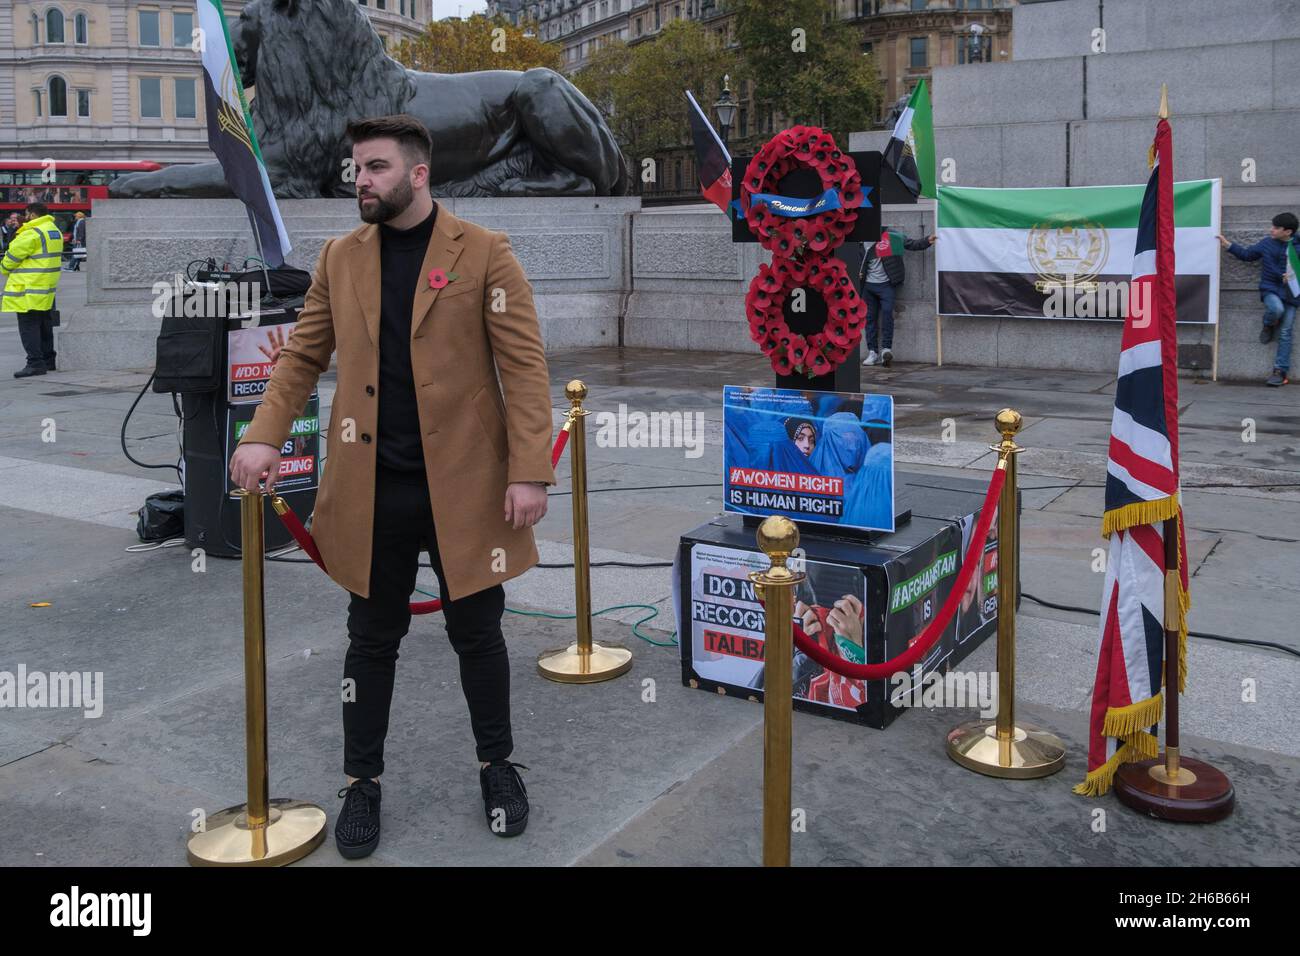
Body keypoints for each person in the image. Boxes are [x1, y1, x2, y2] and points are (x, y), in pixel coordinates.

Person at [228, 114, 556, 859]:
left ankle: (497, 767)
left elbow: (526, 369)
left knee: (478, 636)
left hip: (468, 489)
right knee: (371, 642)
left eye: (374, 168)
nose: (361, 183)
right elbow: (302, 357)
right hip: (372, 487)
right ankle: (361, 782)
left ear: (418, 173)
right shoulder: (341, 258)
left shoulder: (484, 253)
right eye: (356, 171)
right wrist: (263, 433)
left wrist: (530, 470)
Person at [1219, 212, 1299, 387]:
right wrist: (1227, 245)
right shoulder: (1267, 243)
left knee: (1286, 332)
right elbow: (1248, 255)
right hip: (1271, 288)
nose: (1272, 230)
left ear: (1288, 232)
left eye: (1276, 228)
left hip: (1292, 294)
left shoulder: (1297, 246)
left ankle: (1280, 371)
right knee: (1276, 310)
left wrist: (1293, 276)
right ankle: (1268, 323)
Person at [857, 226, 936, 367]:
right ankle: (872, 352)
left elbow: (910, 243)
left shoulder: (890, 235)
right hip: (868, 286)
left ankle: (886, 350)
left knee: (887, 313)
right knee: (870, 319)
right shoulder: (859, 239)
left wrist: (927, 241)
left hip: (886, 284)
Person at [2, 202, 64, 377]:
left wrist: (4, 267)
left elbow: (11, 258)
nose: (25, 217)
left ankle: (35, 363)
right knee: (45, 324)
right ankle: (48, 360)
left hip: (28, 286)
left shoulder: (32, 232)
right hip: (46, 285)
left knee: (28, 325)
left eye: (26, 214)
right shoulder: (53, 230)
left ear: (33, 215)